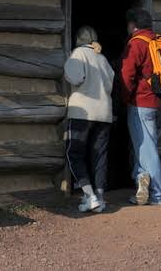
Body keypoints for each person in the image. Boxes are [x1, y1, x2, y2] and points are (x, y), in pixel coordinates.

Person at [64, 25, 115, 213]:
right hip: (104, 113)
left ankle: (88, 195)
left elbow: (75, 78)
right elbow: (110, 83)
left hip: (83, 112)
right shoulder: (102, 58)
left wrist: (66, 62)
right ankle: (100, 198)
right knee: (99, 156)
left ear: (78, 38)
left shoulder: (78, 54)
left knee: (74, 153)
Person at [119, 9, 161, 206]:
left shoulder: (136, 43)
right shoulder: (160, 41)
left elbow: (126, 76)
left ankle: (156, 195)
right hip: (160, 103)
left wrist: (126, 99)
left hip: (141, 103)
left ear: (133, 25)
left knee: (147, 149)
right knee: (144, 147)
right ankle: (142, 185)